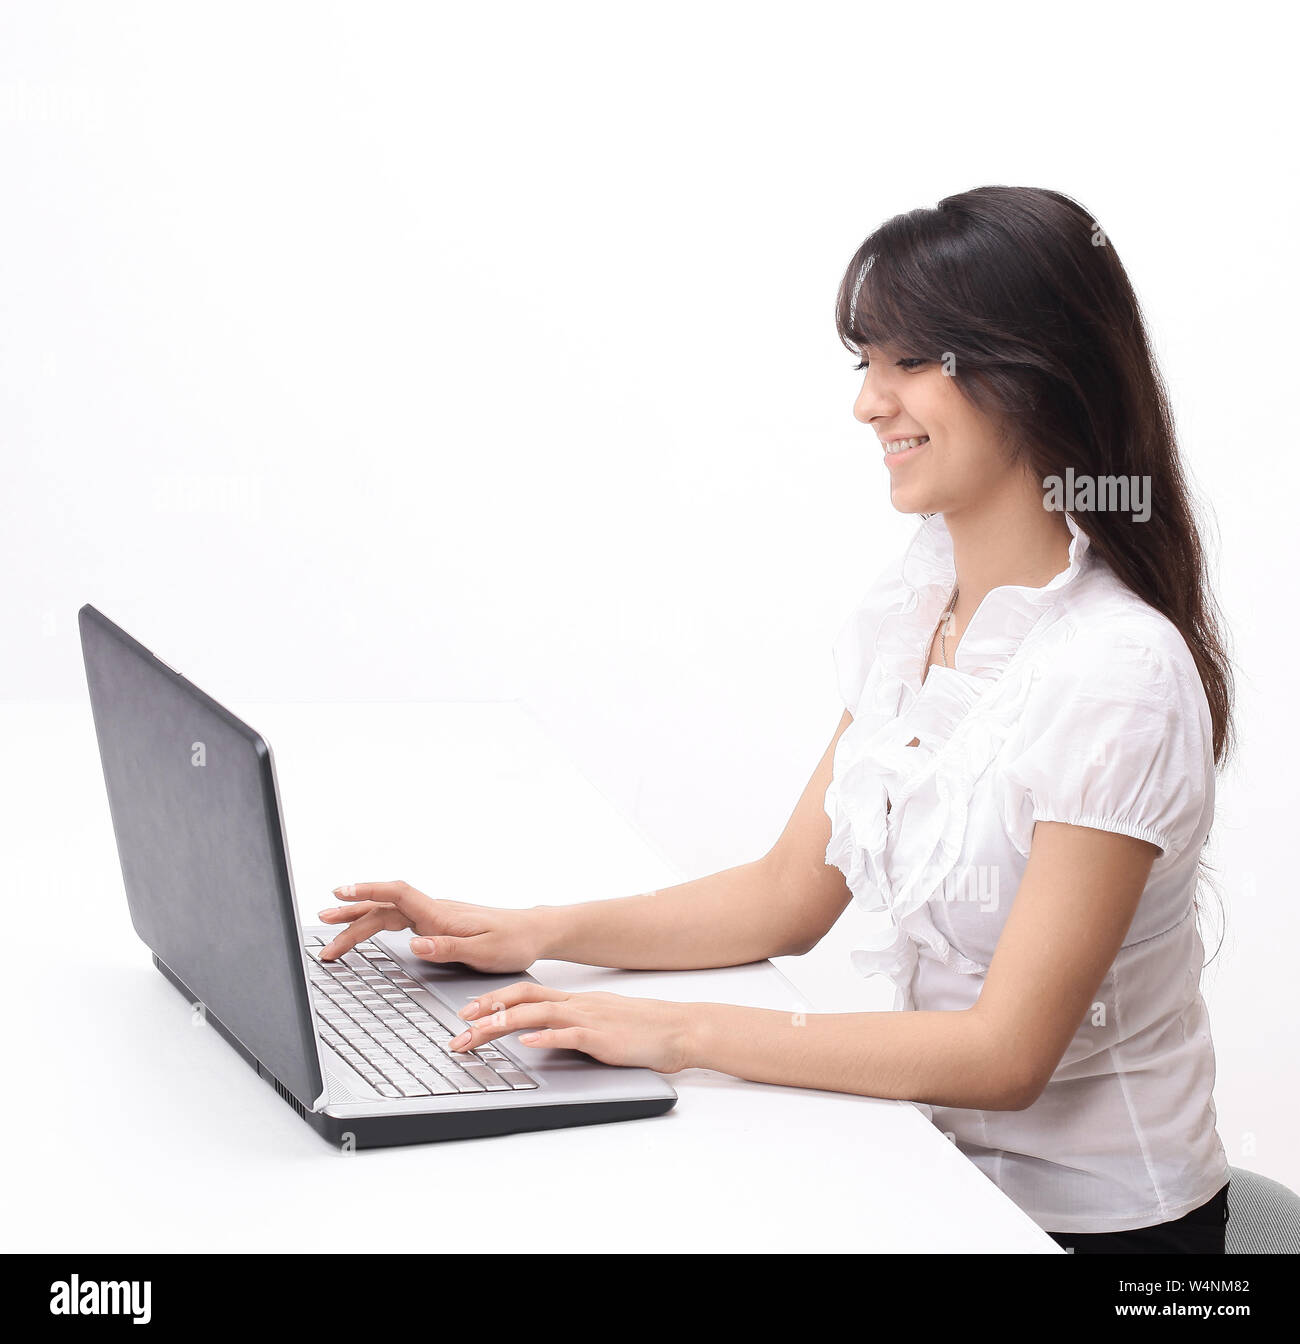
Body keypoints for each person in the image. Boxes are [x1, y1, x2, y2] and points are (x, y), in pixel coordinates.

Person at [320, 187, 1235, 1253]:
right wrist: (531, 934)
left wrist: (678, 1034)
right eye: (865, 363)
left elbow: (1004, 1055)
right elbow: (786, 896)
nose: (867, 404)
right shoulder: (919, 609)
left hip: (1093, 1234)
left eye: (910, 363)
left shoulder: (1115, 671)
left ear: (1036, 372)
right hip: (921, 1173)